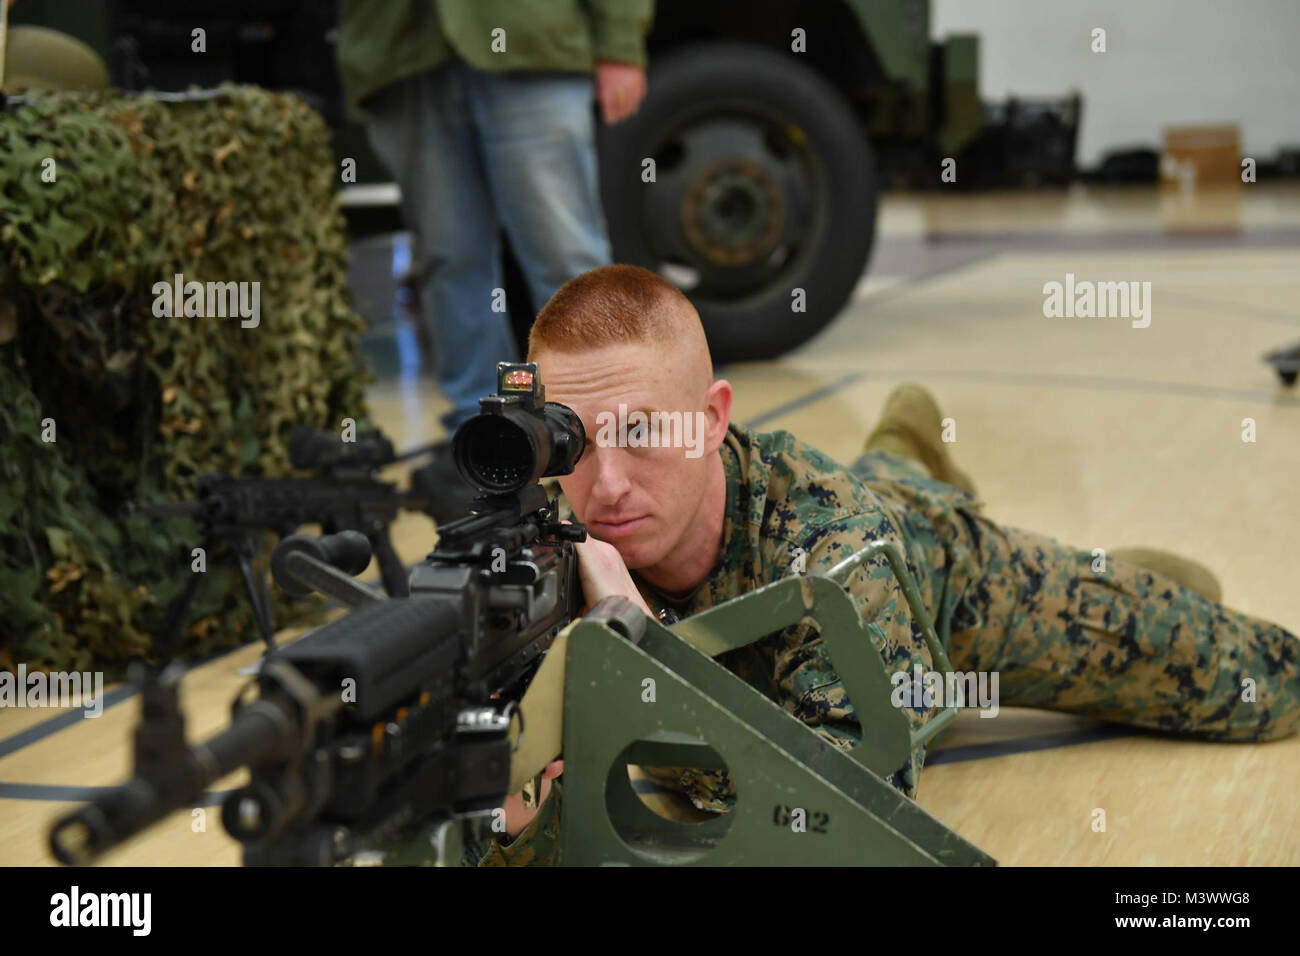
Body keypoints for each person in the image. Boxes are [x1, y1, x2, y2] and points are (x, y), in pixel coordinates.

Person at [469, 263, 1300, 865]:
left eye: (644, 432)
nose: (605, 488)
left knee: (1253, 682)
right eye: (573, 441)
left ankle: (1097, 560)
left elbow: (850, 815)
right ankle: (902, 446)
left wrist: (640, 658)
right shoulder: (549, 556)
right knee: (886, 474)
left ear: (714, 418)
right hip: (858, 510)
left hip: (956, 585)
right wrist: (507, 811)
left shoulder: (846, 551)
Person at [334, 0, 653, 521]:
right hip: (403, 51)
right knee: (448, 262)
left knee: (566, 258)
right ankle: (485, 445)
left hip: (532, 38)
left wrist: (619, 40)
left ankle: (610, 428)